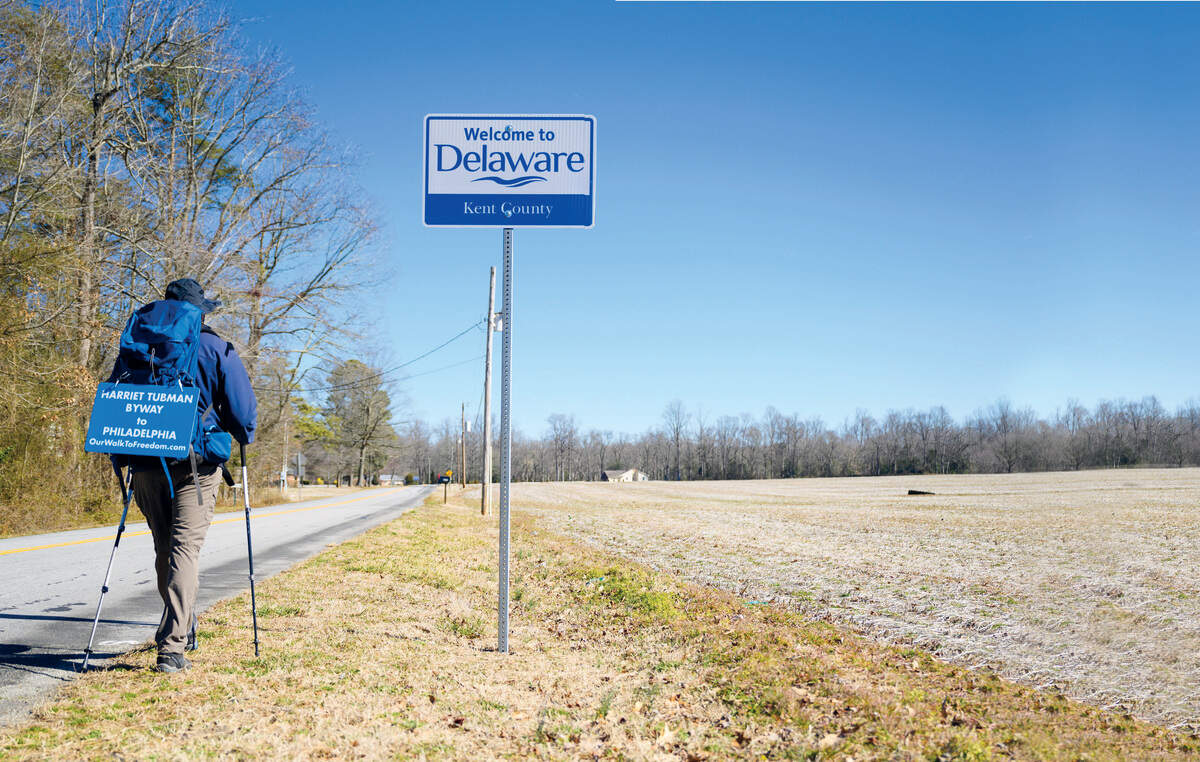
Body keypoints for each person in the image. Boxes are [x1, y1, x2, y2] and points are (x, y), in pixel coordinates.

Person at [107, 278, 257, 673]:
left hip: (144, 459)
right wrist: (241, 434)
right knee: (184, 550)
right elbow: (243, 414)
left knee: (164, 549)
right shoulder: (215, 347)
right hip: (195, 462)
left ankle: (181, 624)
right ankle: (173, 648)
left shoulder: (138, 343)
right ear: (200, 311)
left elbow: (115, 395)